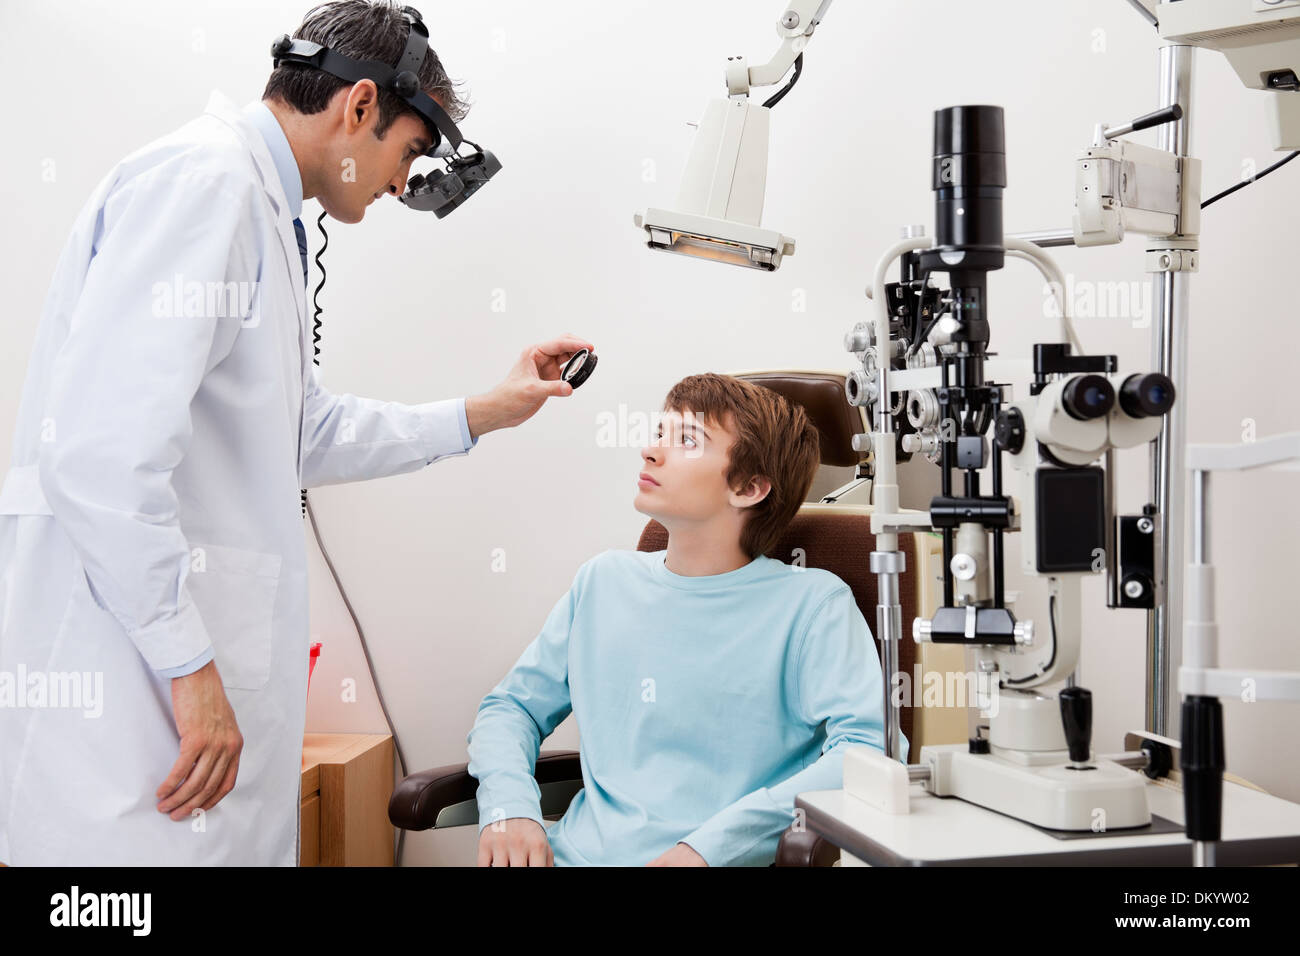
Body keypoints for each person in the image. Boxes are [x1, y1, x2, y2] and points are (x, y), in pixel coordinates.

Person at [0, 0, 591, 865]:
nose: (403, 184)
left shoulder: (261, 208)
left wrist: (486, 411)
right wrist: (189, 667)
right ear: (359, 106)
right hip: (130, 721)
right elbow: (98, 458)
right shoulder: (206, 185)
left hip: (188, 717)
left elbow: (301, 429)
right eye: (410, 152)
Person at [468, 373, 905, 866]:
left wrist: (707, 848)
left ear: (749, 487)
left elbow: (867, 753)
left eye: (687, 441)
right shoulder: (603, 581)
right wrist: (509, 807)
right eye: (660, 434)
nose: (651, 452)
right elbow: (511, 708)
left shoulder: (812, 605)